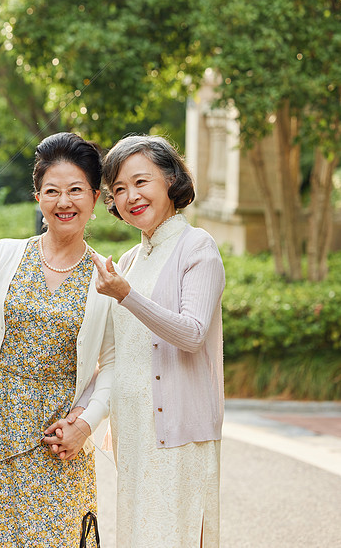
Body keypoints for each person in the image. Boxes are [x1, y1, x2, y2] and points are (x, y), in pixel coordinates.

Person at [0, 132, 115, 547]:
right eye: (52, 191)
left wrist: (86, 424)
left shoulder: (106, 276)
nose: (63, 202)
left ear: (96, 196)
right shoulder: (3, 256)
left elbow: (114, 364)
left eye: (75, 190)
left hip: (58, 441)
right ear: (37, 197)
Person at [91, 134, 225, 547]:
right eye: (119, 189)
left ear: (170, 180)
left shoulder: (197, 246)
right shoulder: (130, 261)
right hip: (133, 437)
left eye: (141, 182)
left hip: (179, 437)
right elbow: (111, 357)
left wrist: (127, 295)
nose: (131, 196)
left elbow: (192, 333)